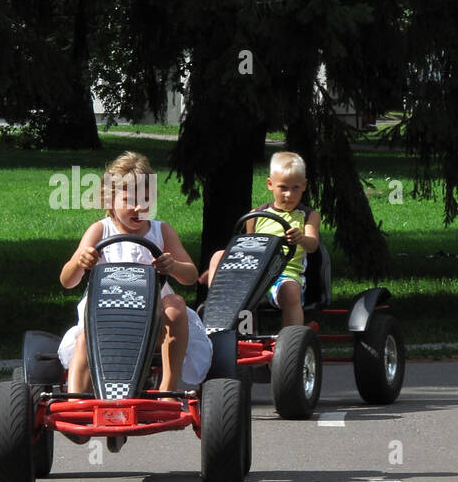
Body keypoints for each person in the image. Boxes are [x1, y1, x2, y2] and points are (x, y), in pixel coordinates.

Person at [58, 152, 209, 392]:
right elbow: (67, 281)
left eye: (146, 199)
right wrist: (81, 261)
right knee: (85, 338)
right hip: (106, 316)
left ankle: (167, 388)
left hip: (153, 318)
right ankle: (75, 400)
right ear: (109, 200)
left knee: (176, 304)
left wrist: (172, 266)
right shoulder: (100, 231)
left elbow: (190, 276)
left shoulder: (161, 231)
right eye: (130, 200)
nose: (139, 207)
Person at [199, 151, 321, 329]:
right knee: (218, 255)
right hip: (252, 276)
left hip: (284, 277)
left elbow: (312, 244)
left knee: (290, 291)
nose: (289, 194)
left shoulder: (308, 216)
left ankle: (292, 340)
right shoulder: (255, 215)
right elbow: (246, 246)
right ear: (270, 184)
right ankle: (221, 311)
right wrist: (221, 267)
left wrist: (301, 238)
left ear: (304, 186)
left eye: (295, 188)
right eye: (283, 188)